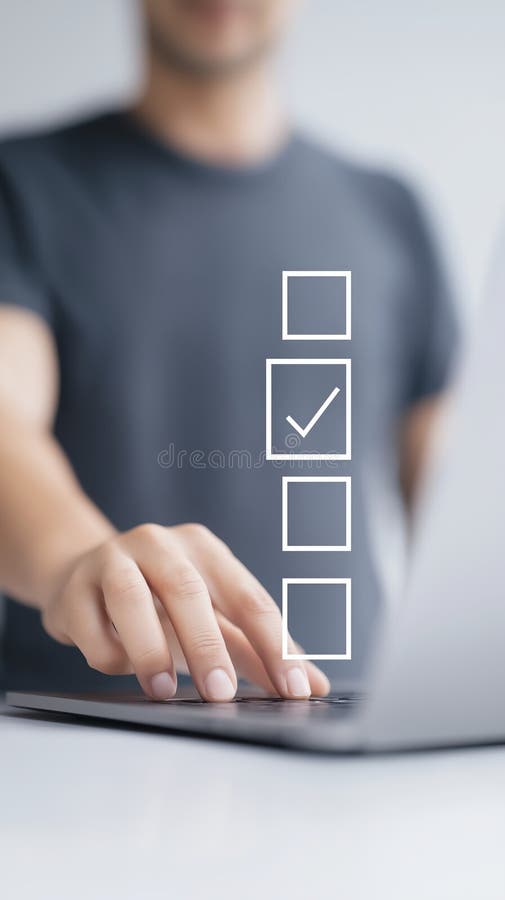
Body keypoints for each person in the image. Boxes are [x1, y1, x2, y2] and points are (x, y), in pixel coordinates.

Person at [0, 0, 458, 701]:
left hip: (348, 734)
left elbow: (453, 499)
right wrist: (76, 560)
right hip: (82, 738)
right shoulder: (22, 186)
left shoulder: (390, 211)